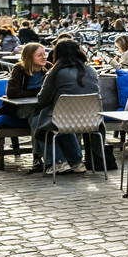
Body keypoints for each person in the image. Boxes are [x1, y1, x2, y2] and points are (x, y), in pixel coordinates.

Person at [31, 38, 94, 174]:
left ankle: (57, 162)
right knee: (62, 121)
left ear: (56, 54)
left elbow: (42, 99)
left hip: (65, 119)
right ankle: (76, 162)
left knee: (39, 121)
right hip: (92, 120)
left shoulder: (55, 72)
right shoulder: (91, 70)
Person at [0, 42, 49, 169]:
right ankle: (38, 157)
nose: (44, 57)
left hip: (41, 107)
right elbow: (12, 92)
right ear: (29, 57)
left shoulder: (48, 67)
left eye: (45, 54)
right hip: (19, 108)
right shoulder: (19, 69)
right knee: (37, 115)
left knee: (38, 115)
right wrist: (38, 93)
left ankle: (48, 157)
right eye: (39, 55)